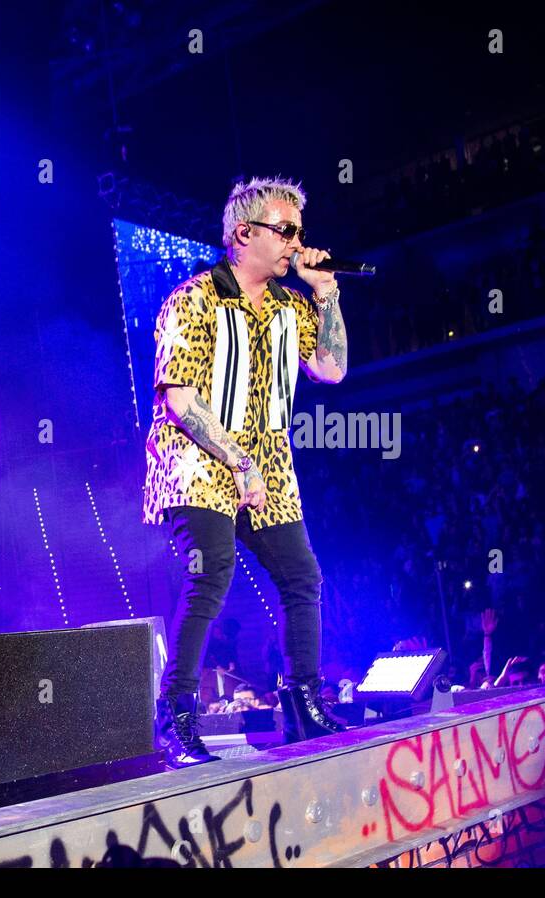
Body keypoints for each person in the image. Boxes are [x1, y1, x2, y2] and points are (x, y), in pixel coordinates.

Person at [142, 176, 350, 768]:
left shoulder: (290, 306)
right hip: (197, 457)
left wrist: (327, 293)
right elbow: (180, 398)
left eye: (299, 233)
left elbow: (331, 369)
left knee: (302, 576)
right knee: (211, 574)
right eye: (285, 231)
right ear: (243, 234)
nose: (295, 243)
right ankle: (175, 716)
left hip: (270, 466)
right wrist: (239, 461)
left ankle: (304, 702)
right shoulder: (195, 298)